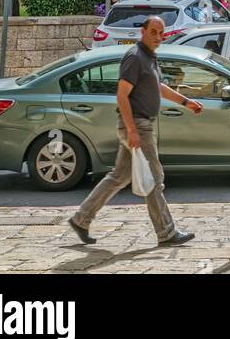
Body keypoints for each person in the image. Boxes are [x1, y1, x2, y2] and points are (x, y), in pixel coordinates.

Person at [68, 15, 200, 247]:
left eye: (161, 33)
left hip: (141, 124)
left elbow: (156, 86)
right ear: (143, 31)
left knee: (118, 177)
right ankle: (167, 232)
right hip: (138, 125)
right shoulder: (135, 58)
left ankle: (81, 219)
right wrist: (131, 130)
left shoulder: (149, 57)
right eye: (153, 32)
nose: (158, 37)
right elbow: (122, 95)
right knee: (154, 178)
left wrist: (185, 101)